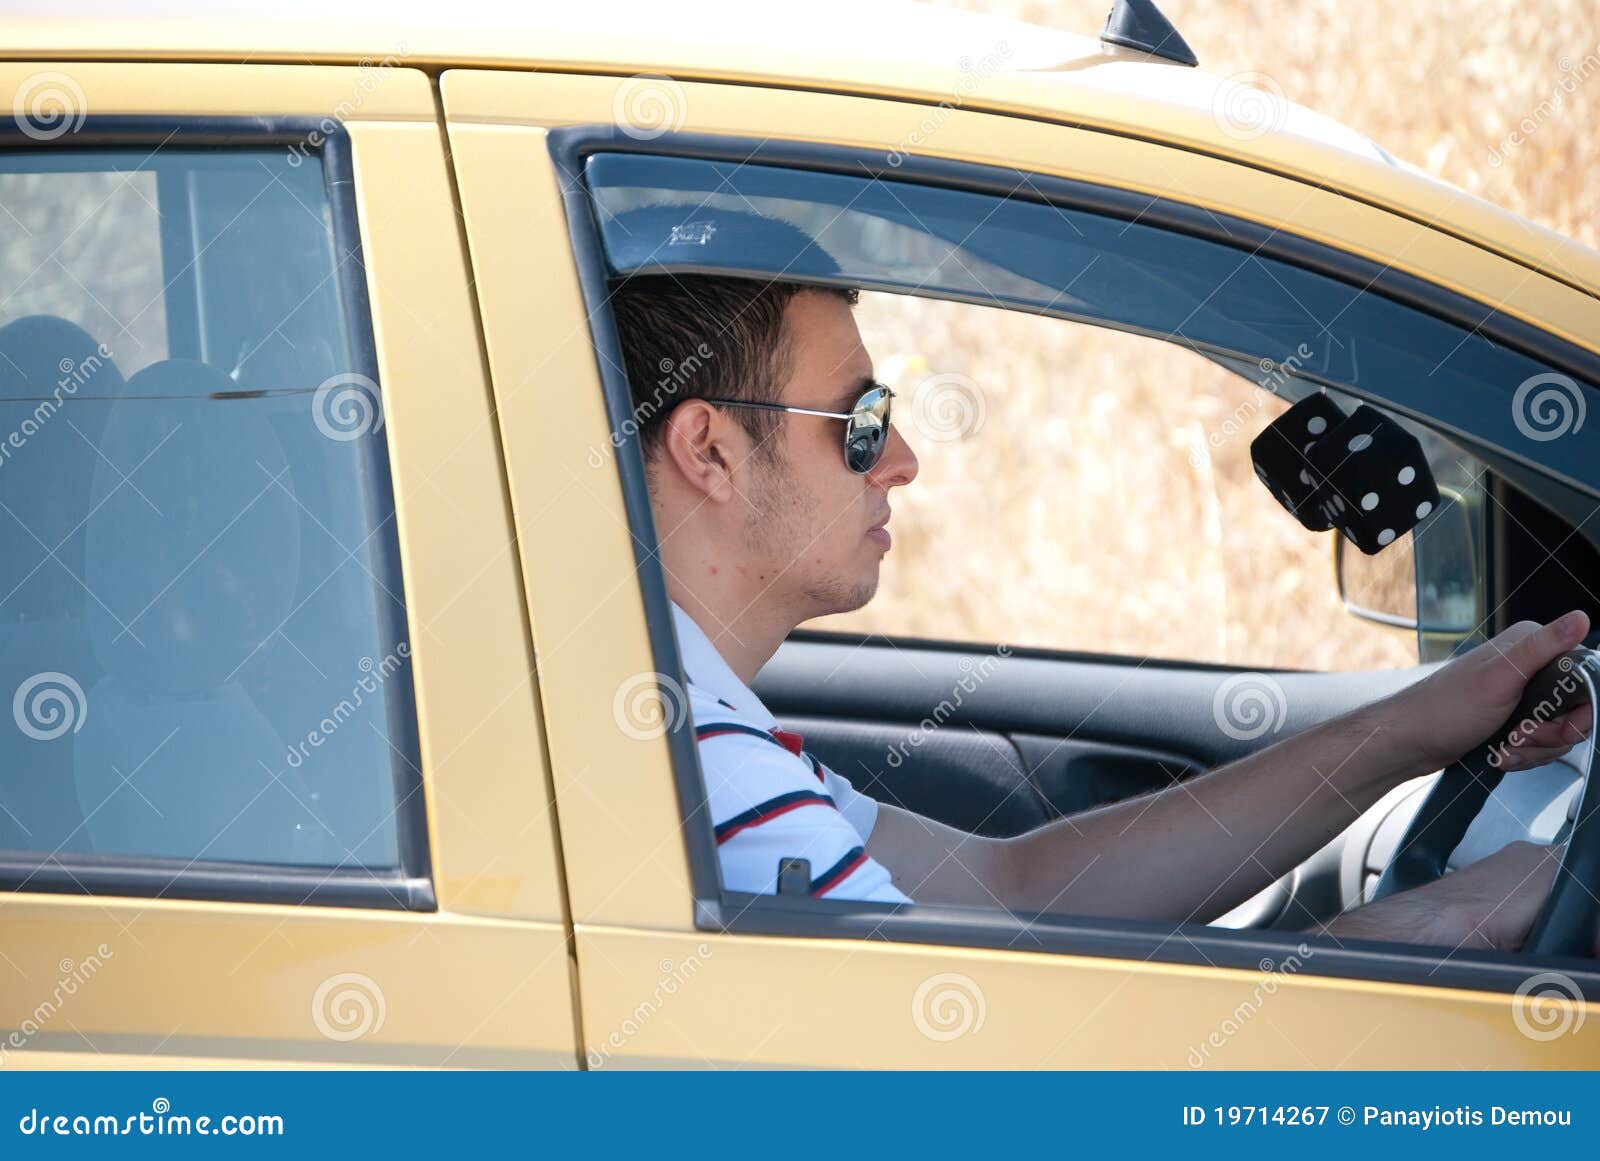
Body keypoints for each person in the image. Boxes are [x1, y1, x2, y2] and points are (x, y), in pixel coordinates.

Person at [609, 258, 1593, 951]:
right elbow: (996, 1088)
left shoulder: (692, 728)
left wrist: (1410, 729)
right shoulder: (700, 776)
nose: (902, 463)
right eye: (864, 421)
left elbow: (1015, 892)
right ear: (710, 451)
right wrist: (1434, 922)